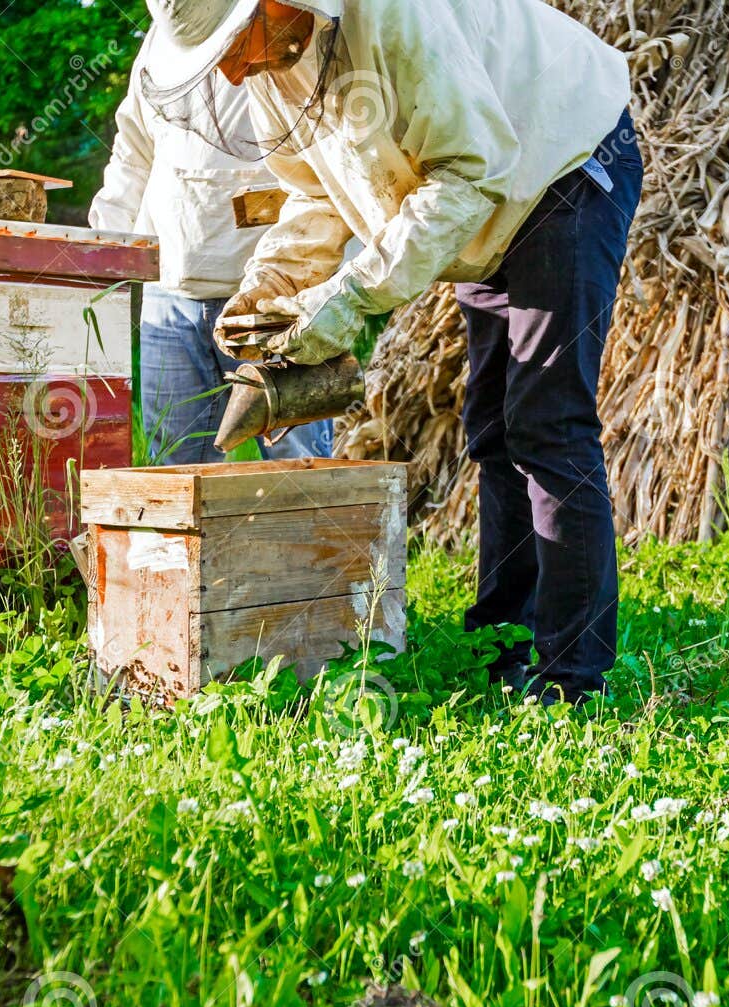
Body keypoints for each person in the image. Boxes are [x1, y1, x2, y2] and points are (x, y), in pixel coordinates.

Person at [139, 0, 642, 704]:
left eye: (227, 43)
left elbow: (470, 172)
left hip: (564, 166)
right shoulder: (270, 64)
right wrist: (270, 286)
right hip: (490, 203)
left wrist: (346, 301)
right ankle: (499, 644)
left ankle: (572, 675)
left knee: (547, 421)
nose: (225, 70)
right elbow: (313, 194)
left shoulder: (396, 17)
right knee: (494, 429)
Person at [89, 34, 333, 464]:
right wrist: (101, 248)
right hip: (170, 294)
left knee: (302, 474)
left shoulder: (282, 22)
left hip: (276, 293)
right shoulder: (161, 40)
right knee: (177, 475)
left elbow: (330, 152)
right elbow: (133, 150)